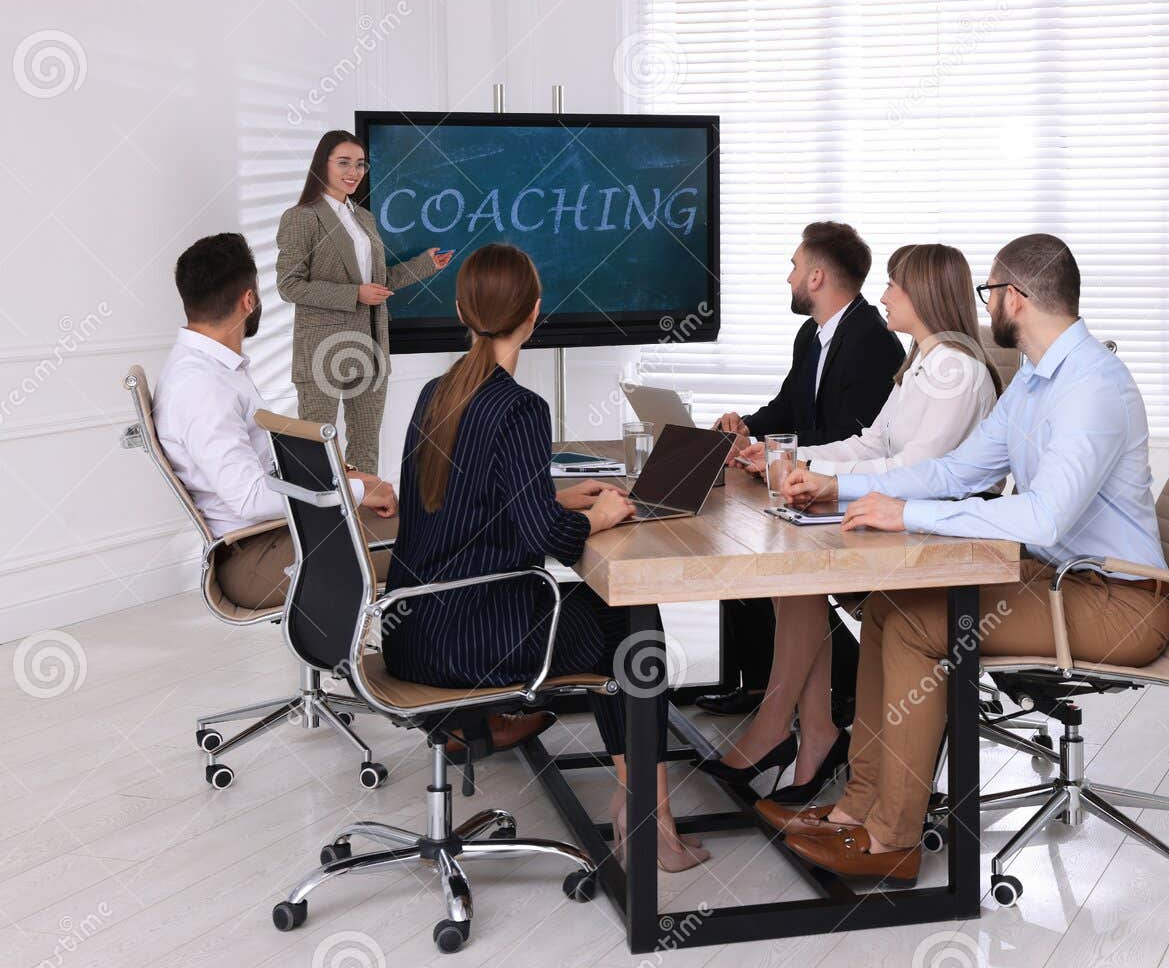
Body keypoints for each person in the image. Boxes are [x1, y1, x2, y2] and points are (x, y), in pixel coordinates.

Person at [760, 234, 1169, 884]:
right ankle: (856, 808)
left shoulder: (1091, 388)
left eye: (990, 294)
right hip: (1060, 576)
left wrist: (908, 513)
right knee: (894, 604)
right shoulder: (1037, 381)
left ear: (1016, 297)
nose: (984, 309)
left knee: (923, 626)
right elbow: (958, 469)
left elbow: (1043, 516)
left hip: (1120, 602)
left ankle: (893, 838)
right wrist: (843, 486)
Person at [380, 244, 709, 870]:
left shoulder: (435, 393)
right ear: (534, 314)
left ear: (460, 309)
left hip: (413, 631)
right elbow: (542, 543)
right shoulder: (520, 407)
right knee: (629, 621)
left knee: (612, 617)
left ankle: (643, 807)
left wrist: (550, 495)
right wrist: (596, 515)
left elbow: (464, 503)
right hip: (471, 642)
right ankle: (649, 817)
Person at [702, 244, 1000, 804]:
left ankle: (777, 730)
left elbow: (917, 473)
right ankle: (814, 734)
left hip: (933, 537)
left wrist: (825, 479)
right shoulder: (924, 362)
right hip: (900, 519)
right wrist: (797, 462)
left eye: (894, 286)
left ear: (924, 295)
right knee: (794, 578)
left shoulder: (954, 370)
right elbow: (873, 442)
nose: (883, 295)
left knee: (798, 575)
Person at [699, 221, 904, 728]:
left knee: (760, 545)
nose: (788, 276)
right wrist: (747, 429)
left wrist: (782, 456)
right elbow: (790, 407)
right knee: (736, 530)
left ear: (816, 277)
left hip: (850, 495)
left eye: (794, 266)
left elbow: (853, 438)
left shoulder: (872, 342)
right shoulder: (811, 335)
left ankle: (841, 689)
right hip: (813, 481)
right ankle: (759, 683)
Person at [155, 233, 399, 612]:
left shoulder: (212, 367)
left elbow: (266, 463)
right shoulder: (202, 386)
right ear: (248, 300)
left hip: (276, 535)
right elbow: (250, 499)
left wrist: (347, 477)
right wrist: (355, 491)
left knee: (424, 517)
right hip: (254, 558)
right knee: (433, 533)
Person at [277, 129, 454, 474]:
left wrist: (424, 265)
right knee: (318, 448)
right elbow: (289, 285)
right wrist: (353, 294)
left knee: (365, 447)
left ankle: (364, 525)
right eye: (344, 163)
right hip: (322, 350)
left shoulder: (363, 218)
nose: (353, 172)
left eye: (360, 164)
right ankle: (323, 525)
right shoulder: (302, 217)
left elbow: (379, 284)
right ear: (322, 165)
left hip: (370, 346)